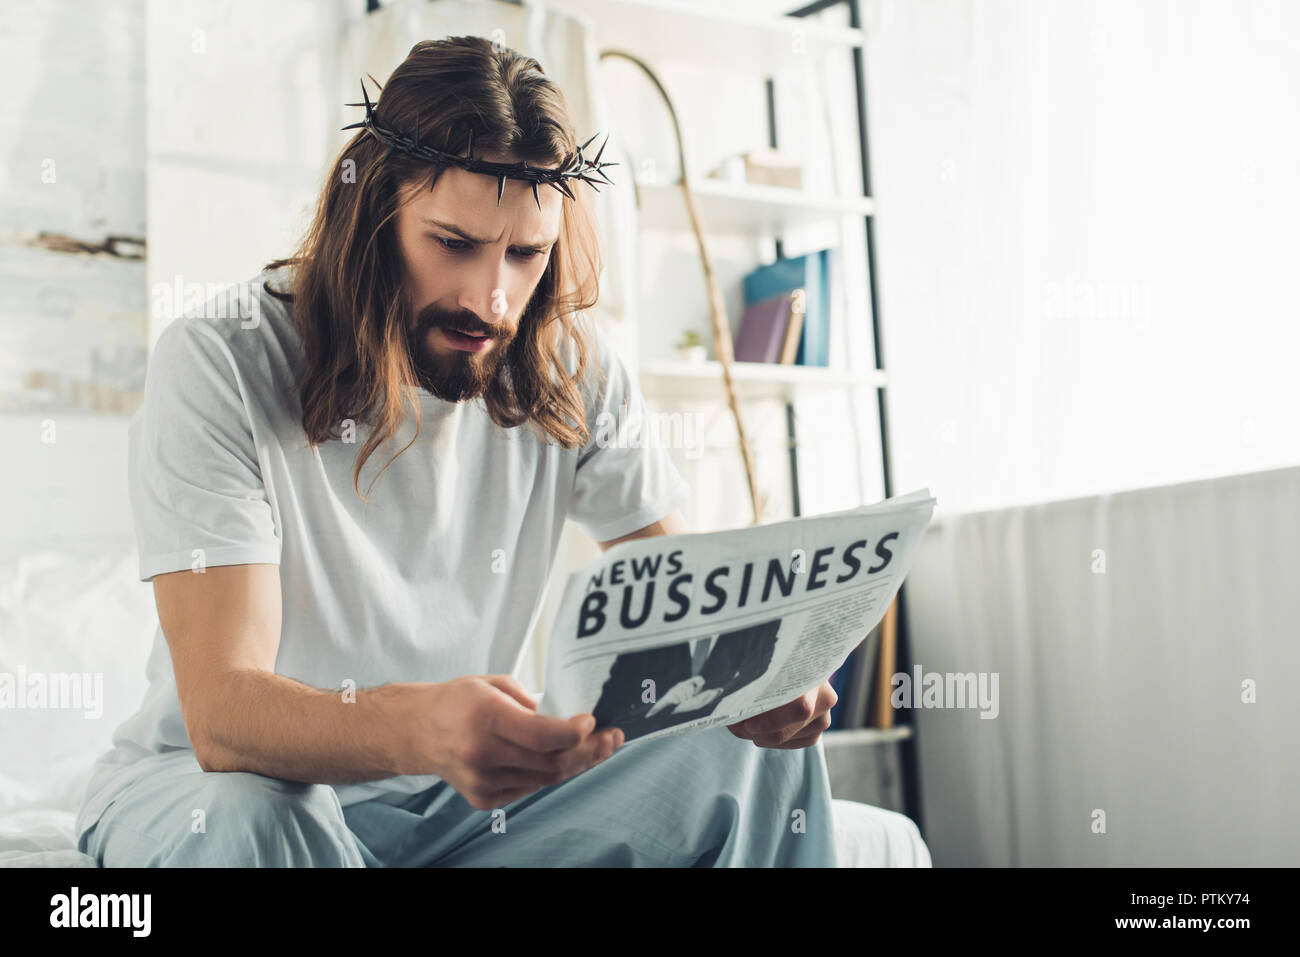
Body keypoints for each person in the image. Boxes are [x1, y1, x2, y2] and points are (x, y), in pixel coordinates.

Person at [75, 35, 839, 867]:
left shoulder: (571, 363)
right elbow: (225, 714)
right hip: (211, 786)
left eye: (525, 254)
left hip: (466, 806)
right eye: (453, 242)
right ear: (371, 215)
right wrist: (419, 727)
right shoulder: (220, 358)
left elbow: (689, 594)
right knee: (257, 814)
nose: (491, 297)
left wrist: (757, 669)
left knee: (752, 752)